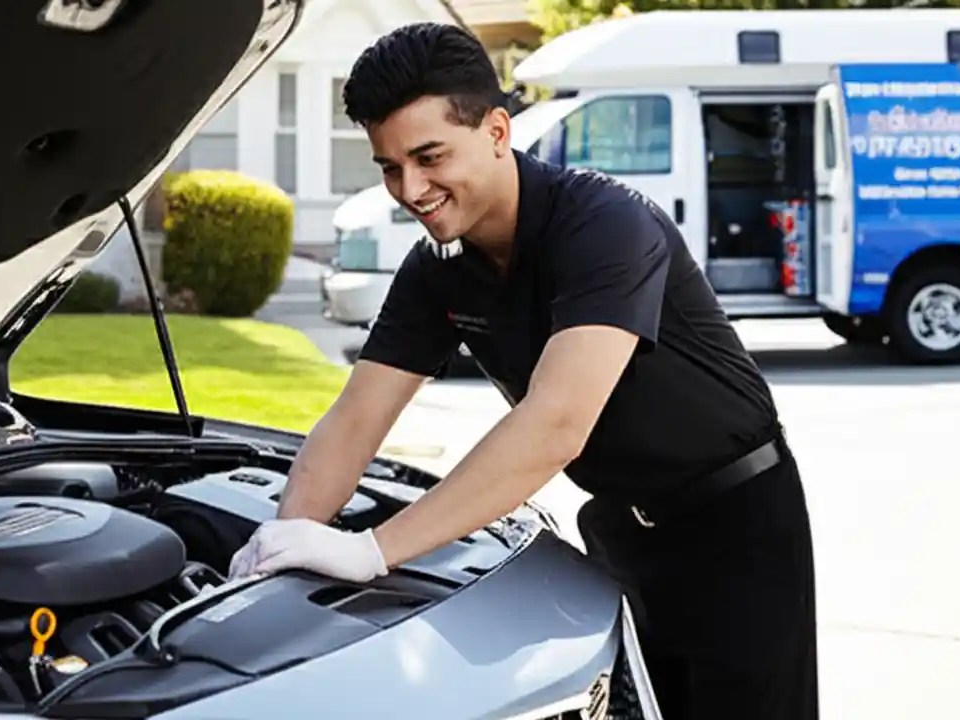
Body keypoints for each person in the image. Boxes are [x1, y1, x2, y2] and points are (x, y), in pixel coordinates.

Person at [227, 22, 818, 720]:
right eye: (389, 166)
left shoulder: (605, 224)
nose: (410, 188)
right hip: (621, 532)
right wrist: (278, 550)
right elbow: (356, 419)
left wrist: (372, 550)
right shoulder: (436, 272)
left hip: (736, 531)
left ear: (498, 131)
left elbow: (555, 424)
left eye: (429, 156)